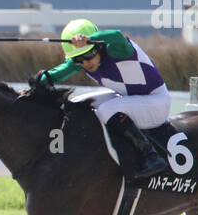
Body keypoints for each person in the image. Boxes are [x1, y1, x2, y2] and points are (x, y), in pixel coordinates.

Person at [32, 18, 171, 180]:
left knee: (107, 110)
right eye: (78, 59)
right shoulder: (82, 62)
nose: (85, 63)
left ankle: (151, 156)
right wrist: (34, 86)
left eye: (88, 55)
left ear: (98, 45)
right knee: (81, 104)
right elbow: (54, 75)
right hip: (135, 100)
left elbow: (117, 35)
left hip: (157, 102)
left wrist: (89, 38)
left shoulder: (118, 50)